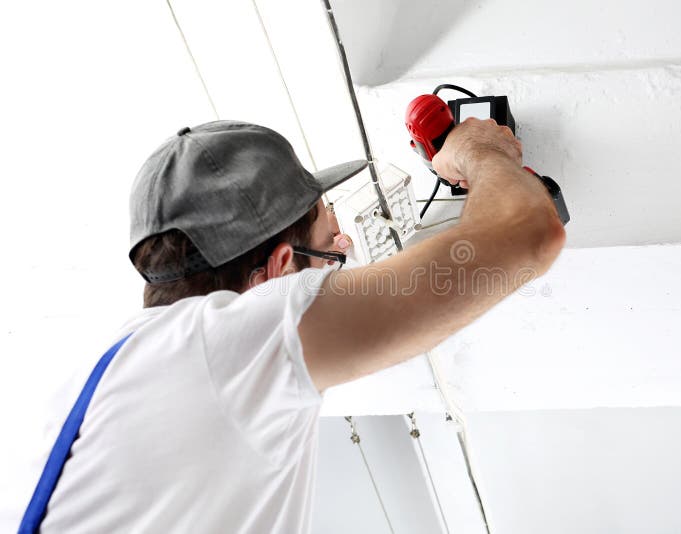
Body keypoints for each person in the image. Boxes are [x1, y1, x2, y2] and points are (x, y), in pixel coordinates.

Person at [28, 119, 565, 533]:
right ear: (280, 270)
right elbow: (526, 234)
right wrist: (481, 151)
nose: (345, 248)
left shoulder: (94, 371)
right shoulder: (234, 341)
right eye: (330, 251)